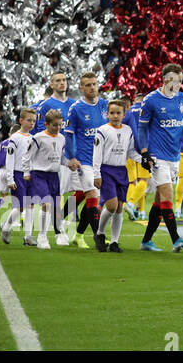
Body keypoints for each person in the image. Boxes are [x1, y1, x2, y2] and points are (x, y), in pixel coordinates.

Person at [137, 63, 183, 253]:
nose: (179, 84)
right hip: (157, 156)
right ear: (165, 80)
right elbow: (142, 128)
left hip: (174, 155)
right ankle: (176, 239)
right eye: (176, 81)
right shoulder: (151, 100)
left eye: (181, 81)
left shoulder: (182, 99)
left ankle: (146, 241)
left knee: (158, 200)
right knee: (168, 196)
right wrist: (145, 151)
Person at [63, 73, 108, 249]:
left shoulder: (105, 106)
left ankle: (78, 234)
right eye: (87, 85)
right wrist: (72, 156)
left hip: (103, 161)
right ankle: (99, 238)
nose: (92, 87)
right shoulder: (76, 108)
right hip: (85, 160)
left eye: (94, 84)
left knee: (85, 195)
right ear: (81, 88)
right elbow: (68, 135)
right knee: (92, 196)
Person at [93, 99, 139, 253]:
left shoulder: (128, 130)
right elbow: (97, 155)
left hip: (121, 171)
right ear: (107, 114)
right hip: (107, 171)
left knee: (119, 207)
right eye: (111, 113)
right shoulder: (102, 130)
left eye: (118, 113)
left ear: (124, 114)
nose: (115, 116)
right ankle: (99, 234)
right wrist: (96, 174)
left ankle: (114, 242)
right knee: (111, 206)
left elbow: (131, 152)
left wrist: (144, 161)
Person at [24, 109, 68, 249]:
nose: (58, 128)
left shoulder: (62, 138)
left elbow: (61, 158)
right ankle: (42, 236)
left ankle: (59, 234)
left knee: (55, 206)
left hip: (54, 175)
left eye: (60, 125)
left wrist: (70, 164)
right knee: (46, 204)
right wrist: (26, 172)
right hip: (39, 174)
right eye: (55, 125)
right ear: (46, 124)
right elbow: (27, 156)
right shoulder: (38, 137)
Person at [0, 108, 37, 245]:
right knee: (20, 206)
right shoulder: (15, 138)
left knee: (31, 205)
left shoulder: (33, 138)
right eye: (29, 120)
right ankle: (6, 227)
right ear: (21, 120)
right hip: (18, 174)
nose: (31, 123)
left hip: (30, 175)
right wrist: (10, 178)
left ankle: (28, 237)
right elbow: (9, 158)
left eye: (33, 120)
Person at [121, 96, 150, 221]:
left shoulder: (127, 112)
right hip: (143, 148)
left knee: (132, 182)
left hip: (128, 151)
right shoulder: (147, 109)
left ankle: (136, 209)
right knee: (144, 180)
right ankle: (132, 204)